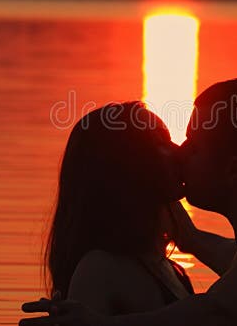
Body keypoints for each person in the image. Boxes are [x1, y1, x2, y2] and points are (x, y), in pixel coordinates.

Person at [21, 77, 237, 326]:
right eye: (166, 143)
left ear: (234, 171)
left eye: (193, 146)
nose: (181, 153)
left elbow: (213, 313)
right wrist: (192, 239)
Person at [39, 102, 194, 316]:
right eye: (161, 144)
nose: (178, 151)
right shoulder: (99, 270)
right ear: (125, 165)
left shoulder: (168, 268)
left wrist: (195, 240)